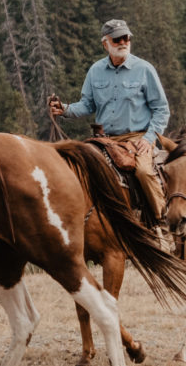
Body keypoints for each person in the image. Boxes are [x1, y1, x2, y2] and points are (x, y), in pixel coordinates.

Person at [47, 19, 169, 222]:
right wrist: (65, 110)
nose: (123, 42)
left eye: (126, 38)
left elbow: (162, 109)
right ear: (105, 43)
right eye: (117, 39)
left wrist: (148, 140)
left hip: (137, 138)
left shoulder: (144, 69)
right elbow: (87, 105)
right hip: (105, 140)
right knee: (78, 168)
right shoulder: (95, 71)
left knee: (144, 173)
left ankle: (161, 222)